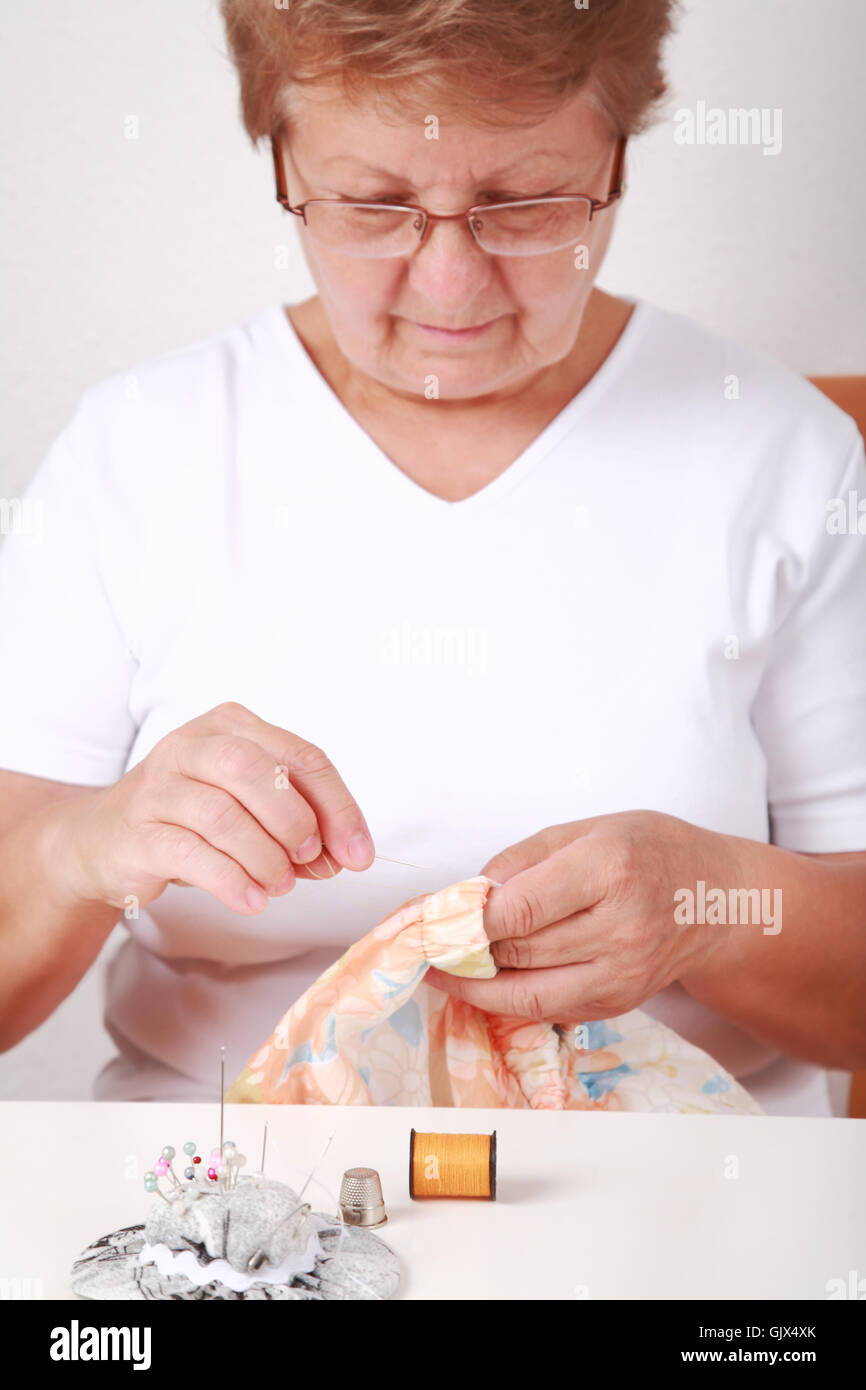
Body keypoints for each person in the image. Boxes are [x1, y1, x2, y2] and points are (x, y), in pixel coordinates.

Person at [0, 0, 863, 1114]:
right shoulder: (136, 453)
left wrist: (713, 902)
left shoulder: (782, 454)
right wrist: (85, 846)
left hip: (672, 1201)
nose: (448, 287)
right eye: (372, 205)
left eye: (525, 203)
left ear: (617, 162)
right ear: (280, 163)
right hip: (223, 1214)